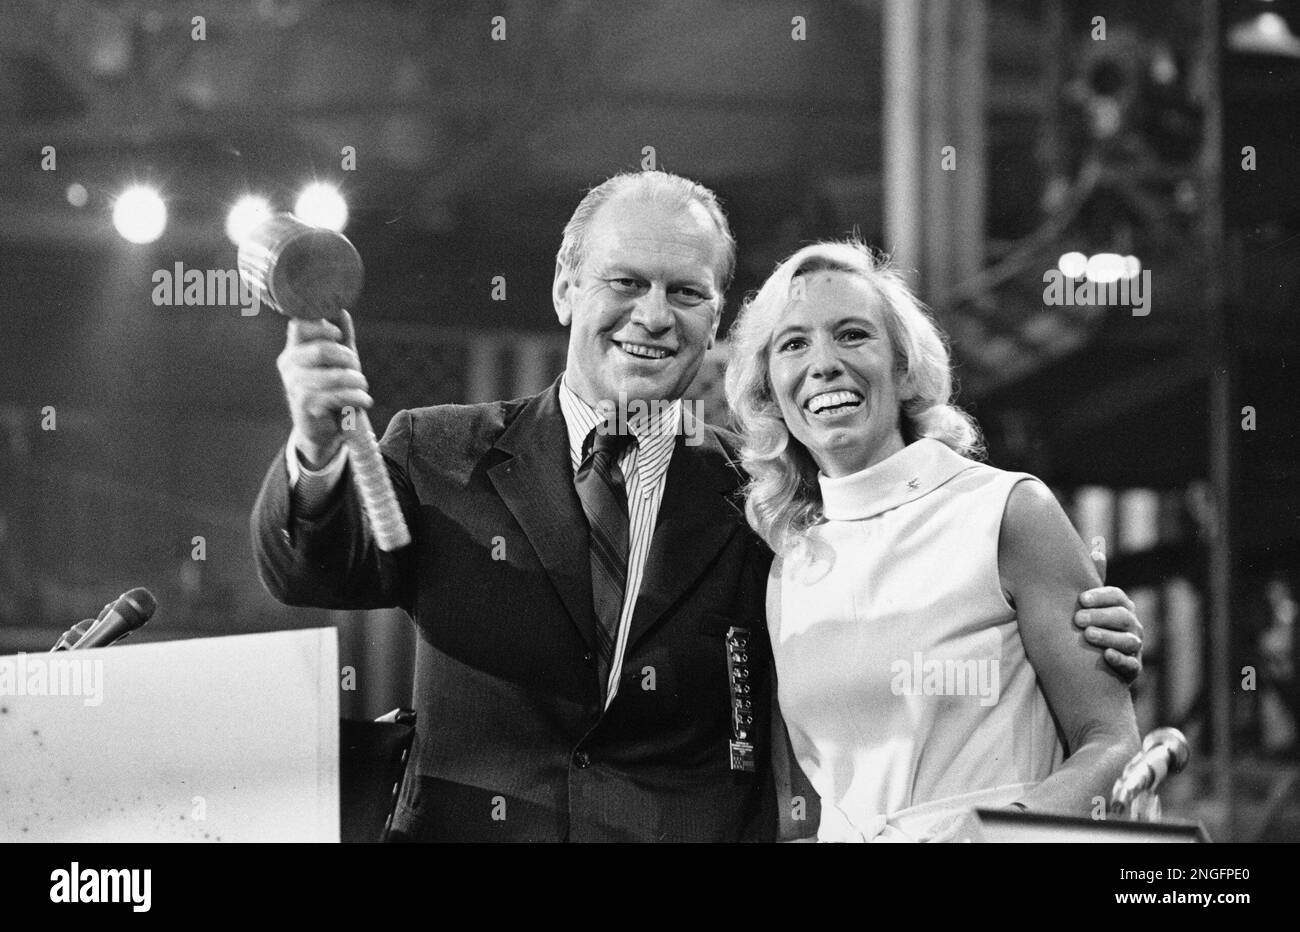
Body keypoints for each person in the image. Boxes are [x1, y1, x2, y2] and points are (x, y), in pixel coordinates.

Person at [251, 171, 1143, 842]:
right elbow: (310, 571)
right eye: (624, 282)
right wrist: (319, 451)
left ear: (716, 322)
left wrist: (1070, 619)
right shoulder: (434, 450)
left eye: (685, 293)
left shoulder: (765, 508)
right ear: (566, 286)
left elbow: (889, 624)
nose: (652, 314)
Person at [725, 239, 1142, 842]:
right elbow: (811, 802)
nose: (824, 364)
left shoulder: (1007, 510)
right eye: (794, 344)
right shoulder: (789, 565)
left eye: (852, 335)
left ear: (902, 366)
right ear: (771, 388)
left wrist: (996, 836)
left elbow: (1112, 744)